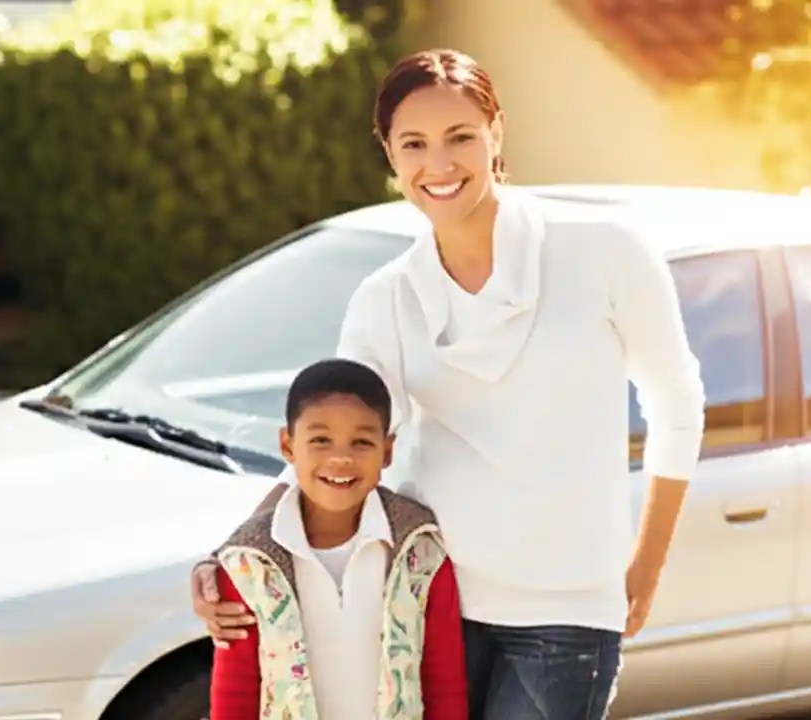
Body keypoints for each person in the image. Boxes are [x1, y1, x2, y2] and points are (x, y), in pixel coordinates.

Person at [195, 48, 705, 720]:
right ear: (391, 157)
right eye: (414, 144)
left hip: (566, 610)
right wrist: (236, 550)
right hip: (426, 601)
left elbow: (677, 404)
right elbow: (338, 451)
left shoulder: (605, 254)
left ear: (496, 133)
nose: (439, 164)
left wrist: (647, 565)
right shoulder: (386, 300)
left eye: (460, 136)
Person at [208, 358, 468, 720]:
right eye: (320, 440)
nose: (341, 457)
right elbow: (235, 691)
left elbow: (444, 681)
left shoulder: (421, 550)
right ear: (287, 445)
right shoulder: (248, 566)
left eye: (361, 442)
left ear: (387, 451)